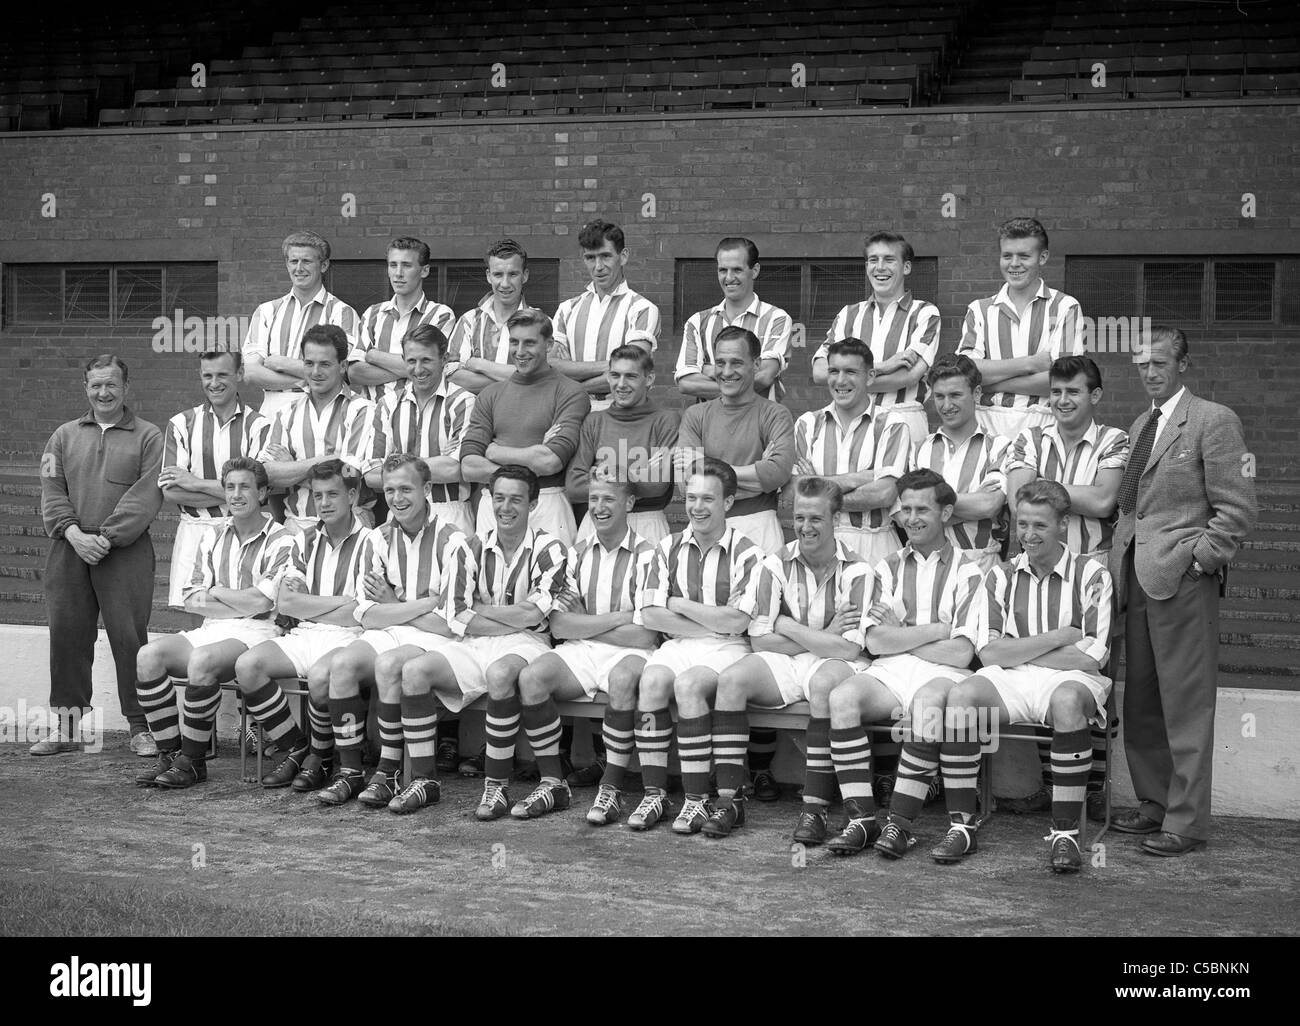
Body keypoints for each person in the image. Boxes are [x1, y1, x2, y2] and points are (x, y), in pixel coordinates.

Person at [878, 480, 1114, 873]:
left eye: (1039, 525)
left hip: (1069, 680)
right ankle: (961, 826)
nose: (1028, 535)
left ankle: (1065, 834)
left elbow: (1091, 658)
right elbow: (989, 651)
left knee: (1068, 701)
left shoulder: (1092, 575)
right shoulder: (1001, 575)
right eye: (1022, 525)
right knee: (961, 698)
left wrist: (1020, 646)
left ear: (1063, 524)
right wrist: (1059, 637)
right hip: (1012, 678)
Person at [1109, 326, 1256, 857]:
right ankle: (1154, 804)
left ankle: (1187, 821)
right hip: (1138, 578)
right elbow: (1135, 505)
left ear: (1183, 365)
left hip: (1184, 580)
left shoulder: (1213, 420)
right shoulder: (1142, 422)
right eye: (1142, 364)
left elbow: (1237, 508)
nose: (1150, 372)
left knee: (1187, 704)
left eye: (1160, 363)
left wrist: (1202, 560)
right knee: (1144, 699)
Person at [818, 469, 983, 856]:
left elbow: (961, 653)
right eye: (905, 509)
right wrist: (938, 629)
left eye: (922, 509)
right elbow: (875, 641)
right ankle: (861, 820)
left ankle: (901, 825)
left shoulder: (971, 570)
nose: (911, 518)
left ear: (946, 513)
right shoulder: (887, 567)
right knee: (842, 698)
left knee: (927, 705)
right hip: (891, 670)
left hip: (946, 674)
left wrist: (904, 634)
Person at [706, 477, 874, 840]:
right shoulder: (774, 564)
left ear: (835, 520)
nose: (805, 527)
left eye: (815, 519)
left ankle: (814, 809)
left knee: (825, 683)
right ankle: (729, 801)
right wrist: (823, 635)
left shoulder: (859, 570)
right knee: (731, 680)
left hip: (835, 663)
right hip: (788, 656)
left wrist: (790, 626)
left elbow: (850, 648)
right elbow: (759, 638)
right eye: (799, 518)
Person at [1003, 355, 1128, 820]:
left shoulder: (1114, 439)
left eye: (1072, 391)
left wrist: (1045, 487)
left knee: (1087, 674)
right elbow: (1021, 500)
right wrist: (1065, 492)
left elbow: (1104, 500)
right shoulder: (1029, 436)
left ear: (1094, 396)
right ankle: (1052, 783)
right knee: (1037, 673)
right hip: (1036, 568)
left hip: (1091, 569)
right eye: (1055, 391)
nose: (1061, 400)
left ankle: (1090, 786)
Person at [314, 454, 475, 809]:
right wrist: (420, 603)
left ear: (427, 489)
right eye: (389, 490)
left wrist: (393, 604)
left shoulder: (454, 542)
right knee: (340, 666)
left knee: (388, 665)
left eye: (406, 489)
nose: (397, 498)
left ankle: (388, 772)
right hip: (392, 628)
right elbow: (367, 615)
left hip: (435, 640)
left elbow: (450, 623)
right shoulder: (378, 538)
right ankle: (351, 772)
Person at [132, 458, 294, 788]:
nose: (236, 494)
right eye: (230, 487)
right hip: (212, 628)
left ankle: (192, 762)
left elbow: (263, 603)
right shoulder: (212, 535)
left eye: (245, 487)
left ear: (262, 492)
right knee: (148, 657)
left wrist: (218, 592)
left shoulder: (283, 539)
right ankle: (170, 754)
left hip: (259, 633)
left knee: (203, 660)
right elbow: (192, 598)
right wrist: (238, 599)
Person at [32, 355, 164, 757]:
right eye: (95, 386)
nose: (103, 393)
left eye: (111, 385)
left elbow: (148, 494)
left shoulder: (149, 436)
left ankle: (140, 727)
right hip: (69, 548)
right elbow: (51, 489)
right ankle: (67, 727)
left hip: (124, 552)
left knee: (129, 639)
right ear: (85, 388)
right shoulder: (62, 436)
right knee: (68, 637)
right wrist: (73, 533)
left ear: (127, 386)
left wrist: (106, 538)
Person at [422, 465, 567, 821]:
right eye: (499, 498)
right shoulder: (470, 546)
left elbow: (535, 616)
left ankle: (497, 786)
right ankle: (424, 781)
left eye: (516, 499)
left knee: (502, 674)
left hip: (528, 642)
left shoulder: (550, 547)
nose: (506, 507)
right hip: (476, 639)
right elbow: (455, 613)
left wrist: (483, 610)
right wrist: (507, 615)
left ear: (533, 504)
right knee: (415, 671)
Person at [513, 473, 660, 824]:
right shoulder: (575, 554)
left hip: (631, 654)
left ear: (628, 503)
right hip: (582, 649)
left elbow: (646, 636)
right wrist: (620, 618)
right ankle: (553, 783)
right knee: (532, 678)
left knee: (625, 679)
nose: (598, 507)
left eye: (608, 499)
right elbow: (560, 625)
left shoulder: (650, 556)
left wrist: (590, 623)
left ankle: (611, 787)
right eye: (593, 499)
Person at [635, 459, 765, 834]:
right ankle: (654, 792)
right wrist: (706, 617)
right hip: (679, 642)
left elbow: (736, 622)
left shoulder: (748, 553)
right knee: (652, 683)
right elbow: (651, 616)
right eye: (691, 497)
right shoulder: (666, 547)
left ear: (728, 503)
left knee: (689, 685)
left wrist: (678, 603)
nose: (697, 507)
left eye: (708, 498)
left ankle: (696, 799)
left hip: (728, 649)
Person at [233, 459, 377, 790]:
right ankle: (298, 749)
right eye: (317, 495)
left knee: (320, 674)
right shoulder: (303, 540)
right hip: (305, 633)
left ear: (352, 496)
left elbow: (361, 612)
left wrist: (313, 605)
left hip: (352, 637)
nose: (323, 503)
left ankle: (321, 758)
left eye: (332, 495)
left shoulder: (373, 541)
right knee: (248, 665)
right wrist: (340, 602)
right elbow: (286, 603)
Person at [460, 309, 590, 546]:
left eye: (529, 343)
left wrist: (494, 451)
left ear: (549, 344)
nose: (520, 352)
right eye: (514, 342)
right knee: (492, 583)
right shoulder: (490, 395)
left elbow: (549, 461)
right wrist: (532, 453)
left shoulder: (571, 392)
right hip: (495, 505)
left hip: (547, 504)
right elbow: (469, 466)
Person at [159, 350, 271, 611]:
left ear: (240, 374)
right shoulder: (180, 423)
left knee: (242, 614)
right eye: (207, 375)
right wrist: (237, 493)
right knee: (195, 609)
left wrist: (194, 482)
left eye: (223, 374)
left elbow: (259, 493)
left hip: (243, 533)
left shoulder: (260, 425)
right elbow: (171, 493)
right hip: (193, 532)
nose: (214, 382)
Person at [810, 231, 941, 449]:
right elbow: (819, 372)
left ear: (906, 267)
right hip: (850, 418)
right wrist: (885, 366)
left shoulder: (925, 312)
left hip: (904, 418)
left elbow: (908, 376)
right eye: (873, 260)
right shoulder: (849, 314)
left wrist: (848, 379)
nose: (879, 267)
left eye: (889, 260)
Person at [956, 217, 1083, 440]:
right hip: (986, 425)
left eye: (1024, 256)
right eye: (1007, 256)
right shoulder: (979, 309)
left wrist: (991, 383)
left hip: (1043, 423)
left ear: (1042, 257)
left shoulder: (1065, 306)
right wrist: (1030, 364)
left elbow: (1064, 381)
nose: (1014, 263)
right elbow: (965, 374)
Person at [675, 326, 795, 557]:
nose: (727, 371)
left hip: (759, 526)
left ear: (757, 364)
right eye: (720, 363)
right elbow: (686, 483)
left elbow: (777, 473)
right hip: (704, 528)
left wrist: (706, 464)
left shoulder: (775, 414)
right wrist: (755, 477)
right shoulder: (696, 415)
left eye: (736, 363)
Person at [790, 337, 909, 566]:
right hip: (819, 543)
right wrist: (861, 478)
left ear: (870, 376)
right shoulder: (807, 424)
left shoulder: (891, 424)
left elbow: (884, 494)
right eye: (833, 371)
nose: (840, 380)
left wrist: (816, 485)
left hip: (875, 545)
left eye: (851, 372)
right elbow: (794, 492)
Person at [258, 325, 375, 533]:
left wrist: (292, 467)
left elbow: (350, 476)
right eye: (309, 363)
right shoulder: (286, 413)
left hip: (349, 528)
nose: (315, 372)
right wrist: (323, 462)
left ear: (343, 366)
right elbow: (266, 475)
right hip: (293, 528)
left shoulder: (362, 410)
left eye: (325, 364)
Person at [364, 324, 476, 537]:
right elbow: (370, 474)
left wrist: (397, 463)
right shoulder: (388, 404)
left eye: (426, 360)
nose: (418, 369)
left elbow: (456, 469)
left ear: (444, 359)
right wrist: (439, 461)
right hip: (399, 513)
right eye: (411, 361)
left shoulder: (464, 402)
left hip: (450, 513)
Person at [565, 343, 679, 544]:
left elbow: (657, 485)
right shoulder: (594, 421)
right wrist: (638, 474)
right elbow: (574, 487)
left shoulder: (666, 420)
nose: (621, 384)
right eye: (615, 375)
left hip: (647, 523)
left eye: (631, 376)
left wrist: (600, 476)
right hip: (596, 523)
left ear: (649, 379)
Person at [242, 229, 359, 418]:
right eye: (293, 261)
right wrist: (309, 379)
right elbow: (251, 373)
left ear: (323, 265)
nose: (299, 268)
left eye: (306, 261)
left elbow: (340, 372)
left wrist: (282, 363)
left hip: (323, 411)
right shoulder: (265, 311)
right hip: (273, 412)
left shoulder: (343, 313)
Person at [549, 219, 661, 413]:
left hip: (622, 414)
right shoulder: (567, 309)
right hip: (573, 412)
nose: (598, 266)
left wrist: (573, 380)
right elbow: (551, 367)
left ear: (623, 256)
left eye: (605, 256)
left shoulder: (642, 309)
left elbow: (631, 372)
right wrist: (609, 368)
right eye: (590, 258)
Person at [912, 355, 1011, 573]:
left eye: (955, 395)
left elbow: (989, 505)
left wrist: (925, 506)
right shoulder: (918, 449)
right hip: (927, 565)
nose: (947, 405)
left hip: (981, 564)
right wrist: (971, 502)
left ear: (976, 393)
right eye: (939, 396)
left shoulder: (999, 446)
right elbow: (905, 519)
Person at [676, 237, 792, 402]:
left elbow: (764, 377)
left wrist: (710, 370)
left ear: (755, 270)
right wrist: (742, 380)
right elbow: (686, 384)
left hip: (759, 424)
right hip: (710, 425)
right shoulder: (697, 322)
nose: (729, 278)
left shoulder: (776, 319)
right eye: (723, 270)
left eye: (737, 270)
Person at [347, 236, 457, 405]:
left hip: (417, 413)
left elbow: (435, 369)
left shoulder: (440, 315)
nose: (398, 273)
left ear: (424, 271)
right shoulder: (372, 314)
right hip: (372, 414)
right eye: (393, 265)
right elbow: (354, 373)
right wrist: (412, 369)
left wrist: (373, 356)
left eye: (406, 265)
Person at [448, 238, 538, 394]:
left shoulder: (539, 323)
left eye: (513, 274)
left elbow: (540, 378)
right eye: (498, 274)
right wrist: (517, 378)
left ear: (525, 275)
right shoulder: (469, 321)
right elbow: (451, 375)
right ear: (488, 276)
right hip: (475, 416)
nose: (505, 283)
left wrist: (479, 365)